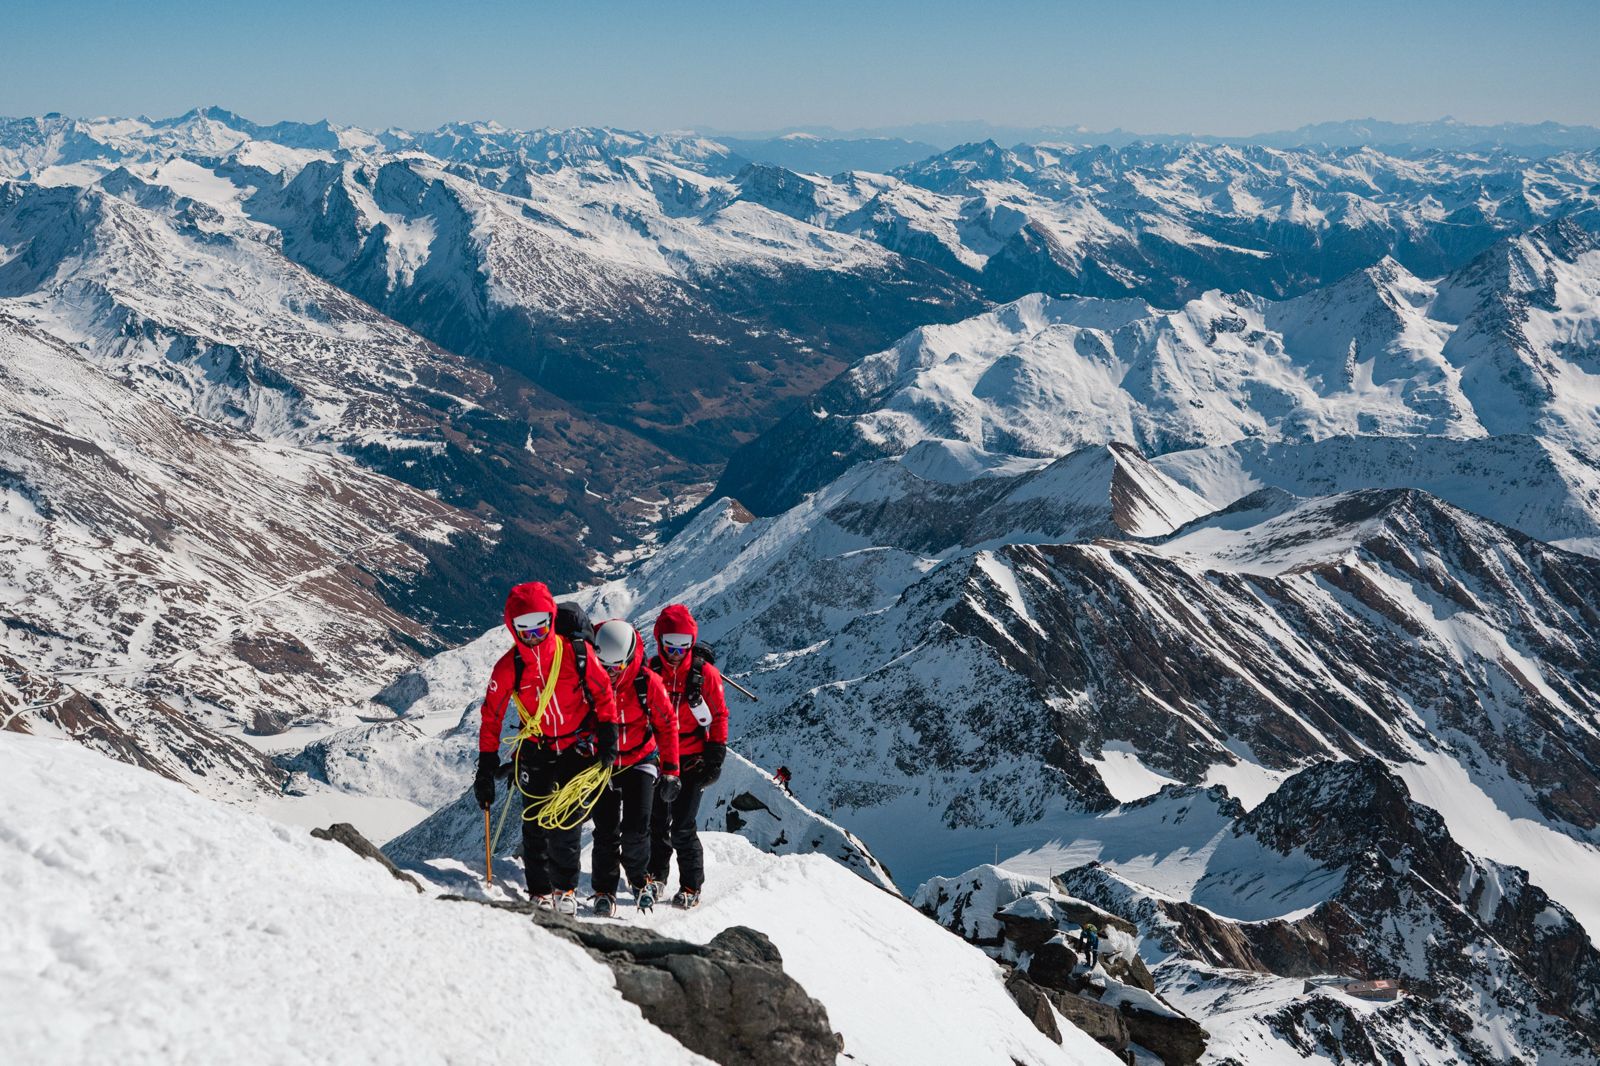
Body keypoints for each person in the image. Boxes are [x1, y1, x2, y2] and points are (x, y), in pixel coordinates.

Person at [473, 582, 616, 915]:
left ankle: (564, 888)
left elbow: (603, 693)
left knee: (566, 822)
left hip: (575, 746)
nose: (534, 634)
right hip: (536, 747)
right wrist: (485, 764)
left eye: (540, 625)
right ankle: (539, 890)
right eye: (524, 628)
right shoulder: (508, 667)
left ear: (551, 619)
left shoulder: (576, 654)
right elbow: (491, 715)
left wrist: (608, 736)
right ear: (512, 628)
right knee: (534, 822)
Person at [589, 619, 681, 916]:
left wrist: (671, 771)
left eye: (616, 667)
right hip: (601, 763)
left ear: (629, 658)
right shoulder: (588, 678)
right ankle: (604, 890)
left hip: (641, 760)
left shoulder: (646, 683)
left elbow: (667, 725)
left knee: (636, 829)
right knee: (605, 831)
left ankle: (640, 880)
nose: (610, 673)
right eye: (605, 666)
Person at [646, 603, 729, 909]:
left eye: (684, 647)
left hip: (693, 759)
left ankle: (691, 885)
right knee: (657, 823)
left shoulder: (704, 674)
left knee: (682, 826)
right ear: (660, 641)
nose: (677, 653)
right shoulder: (651, 672)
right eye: (671, 646)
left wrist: (715, 756)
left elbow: (719, 715)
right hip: (658, 759)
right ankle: (655, 877)